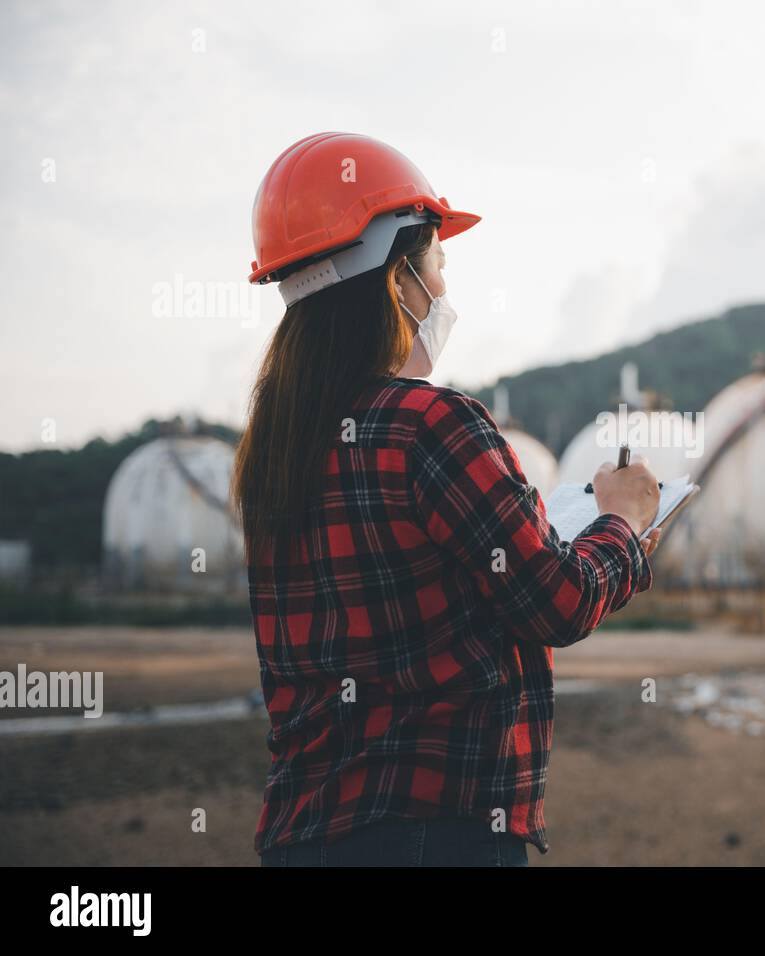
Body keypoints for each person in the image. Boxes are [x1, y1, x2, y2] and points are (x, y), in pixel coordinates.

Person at [233, 132, 662, 866]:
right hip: (436, 831)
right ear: (400, 277)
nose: (443, 289)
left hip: (303, 832)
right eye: (438, 263)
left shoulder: (273, 451)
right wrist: (621, 521)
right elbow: (557, 601)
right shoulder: (432, 425)